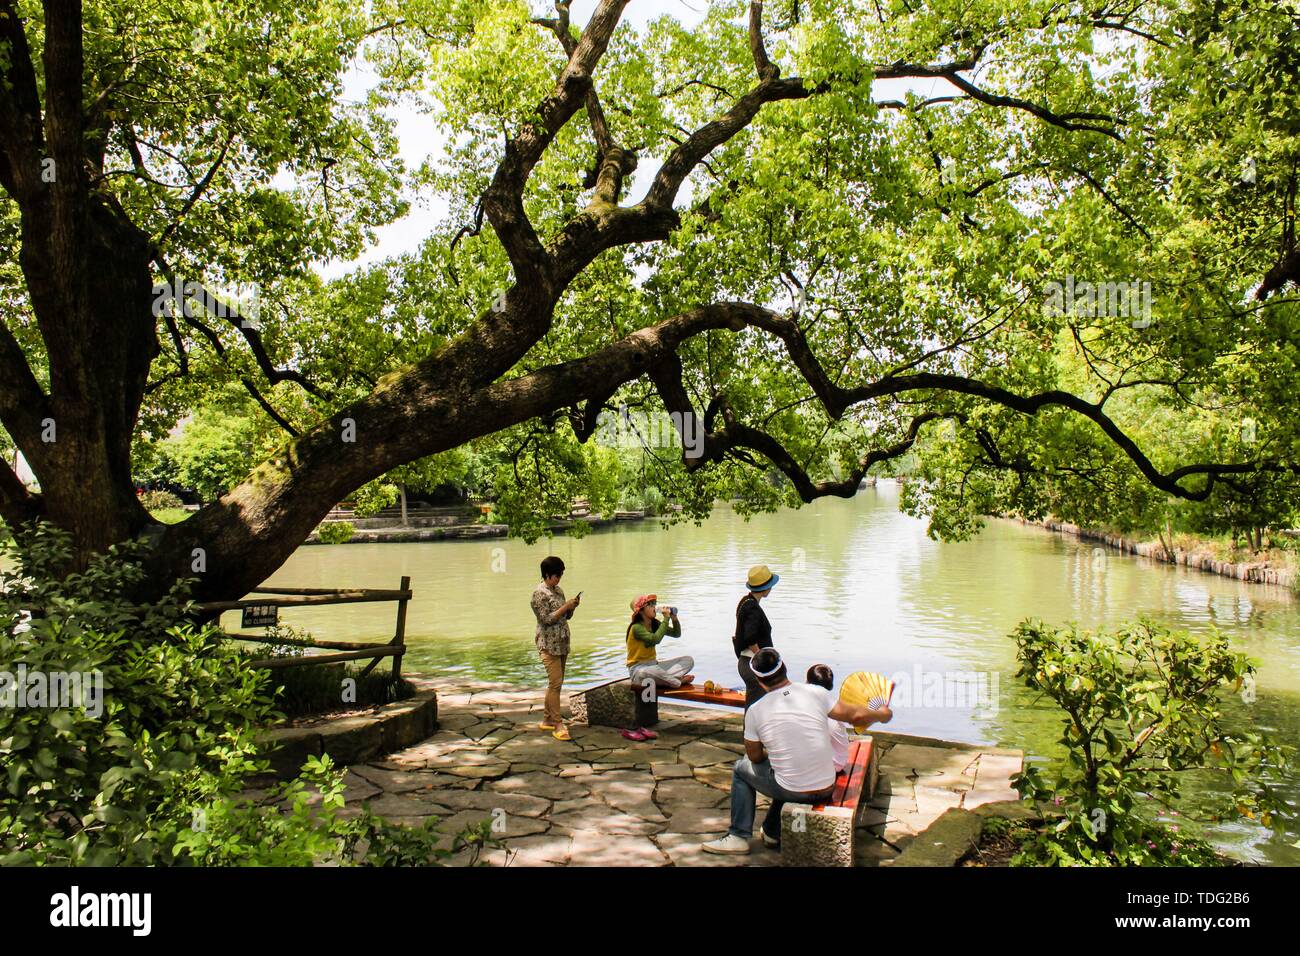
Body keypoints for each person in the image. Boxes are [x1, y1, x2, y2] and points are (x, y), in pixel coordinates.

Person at [701, 648, 892, 855]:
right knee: (786, 767)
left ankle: (738, 836)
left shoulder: (755, 711)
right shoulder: (817, 693)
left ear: (758, 680)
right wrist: (881, 714)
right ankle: (773, 832)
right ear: (784, 668)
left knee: (742, 769)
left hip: (792, 788)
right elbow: (855, 716)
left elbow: (755, 756)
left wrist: (770, 754)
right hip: (826, 785)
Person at [623, 594, 694, 741]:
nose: (655, 607)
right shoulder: (636, 628)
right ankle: (677, 681)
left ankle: (671, 679)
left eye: (654, 603)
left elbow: (676, 633)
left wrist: (674, 618)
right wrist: (666, 618)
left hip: (654, 667)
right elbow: (655, 639)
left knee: (688, 660)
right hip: (638, 670)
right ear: (641, 610)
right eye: (650, 604)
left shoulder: (654, 624)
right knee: (648, 672)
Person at [530, 555, 580, 741]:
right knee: (556, 683)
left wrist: (572, 607)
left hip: (562, 642)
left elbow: (565, 617)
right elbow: (547, 619)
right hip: (548, 644)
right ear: (547, 575)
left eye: (560, 575)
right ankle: (558, 723)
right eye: (556, 575)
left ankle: (547, 719)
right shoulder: (539, 594)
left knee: (555, 683)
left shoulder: (558, 590)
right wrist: (565, 606)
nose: (559, 579)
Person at [734, 564, 778, 709]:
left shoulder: (745, 602)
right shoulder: (752, 608)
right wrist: (762, 660)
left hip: (746, 661)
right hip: (751, 664)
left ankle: (752, 731)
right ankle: (750, 732)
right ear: (765, 588)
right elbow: (750, 638)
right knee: (755, 706)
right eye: (770, 585)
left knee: (755, 705)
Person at [806, 663, 850, 773]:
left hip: (828, 767)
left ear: (807, 683)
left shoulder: (810, 707)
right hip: (839, 761)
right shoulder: (833, 705)